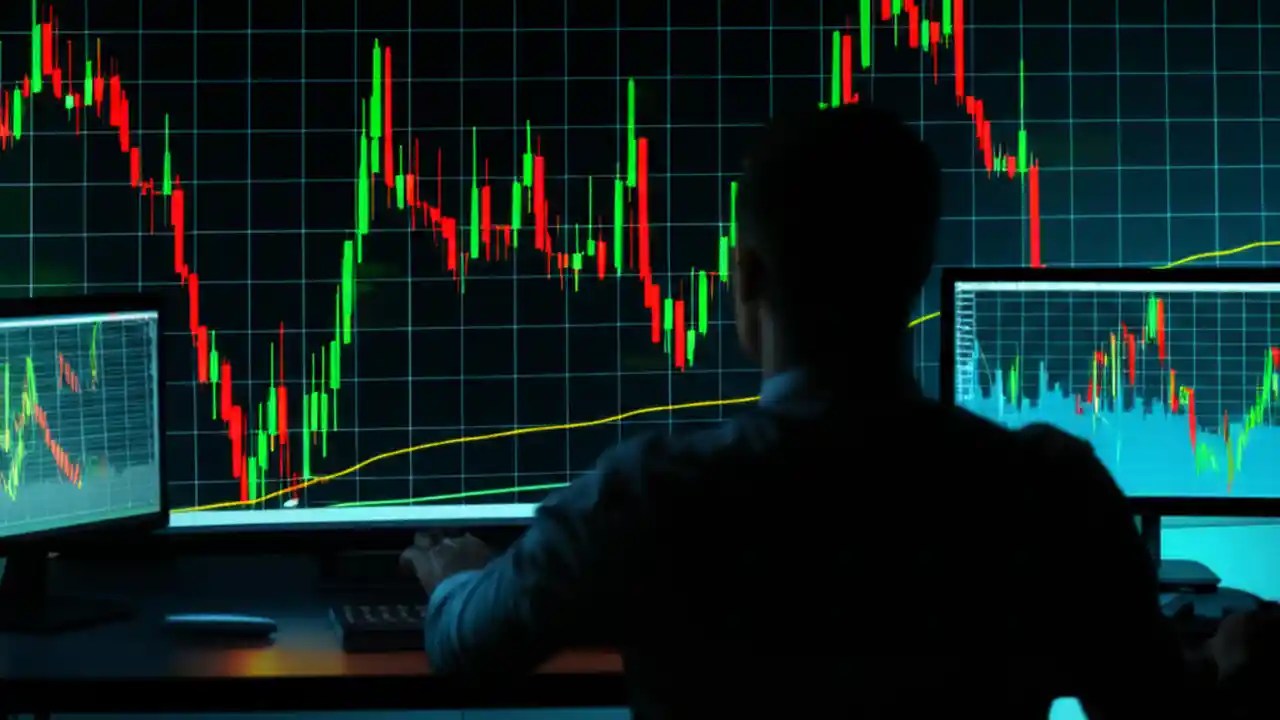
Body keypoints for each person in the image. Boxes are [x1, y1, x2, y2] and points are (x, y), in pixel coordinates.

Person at [402, 104, 1267, 718]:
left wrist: (452, 587)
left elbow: (471, 651)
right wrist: (1236, 667)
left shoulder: (650, 497)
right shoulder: (1052, 492)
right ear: (917, 272)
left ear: (746, 282)